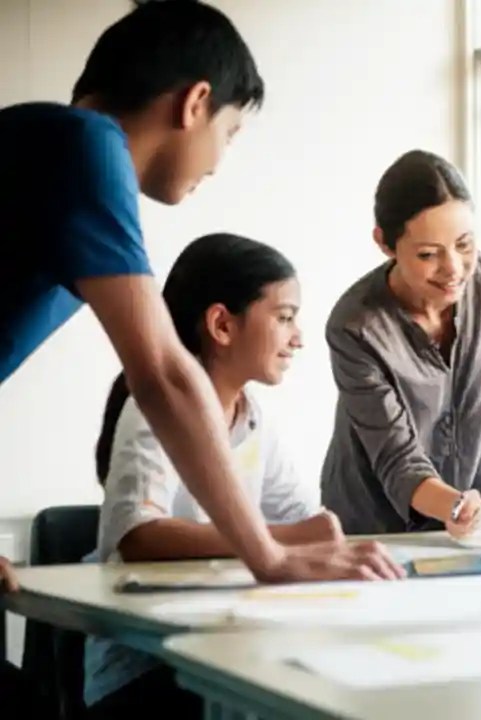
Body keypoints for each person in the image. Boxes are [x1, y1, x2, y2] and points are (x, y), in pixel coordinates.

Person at [0, 0, 397, 591]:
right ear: (195, 103)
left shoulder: (48, 149)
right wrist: (270, 556)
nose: (219, 160)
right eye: (229, 131)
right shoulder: (86, 146)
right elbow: (161, 372)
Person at [85, 234, 342, 717]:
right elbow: (138, 535)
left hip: (226, 645)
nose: (299, 337)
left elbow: (311, 526)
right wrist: (284, 540)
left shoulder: (252, 419)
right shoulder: (152, 409)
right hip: (148, 671)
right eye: (284, 317)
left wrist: (317, 540)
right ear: (222, 325)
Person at [322, 150, 481, 535]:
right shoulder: (355, 325)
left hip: (475, 514)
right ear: (384, 243)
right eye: (428, 254)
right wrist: (455, 506)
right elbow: (397, 459)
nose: (454, 270)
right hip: (377, 525)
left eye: (464, 245)